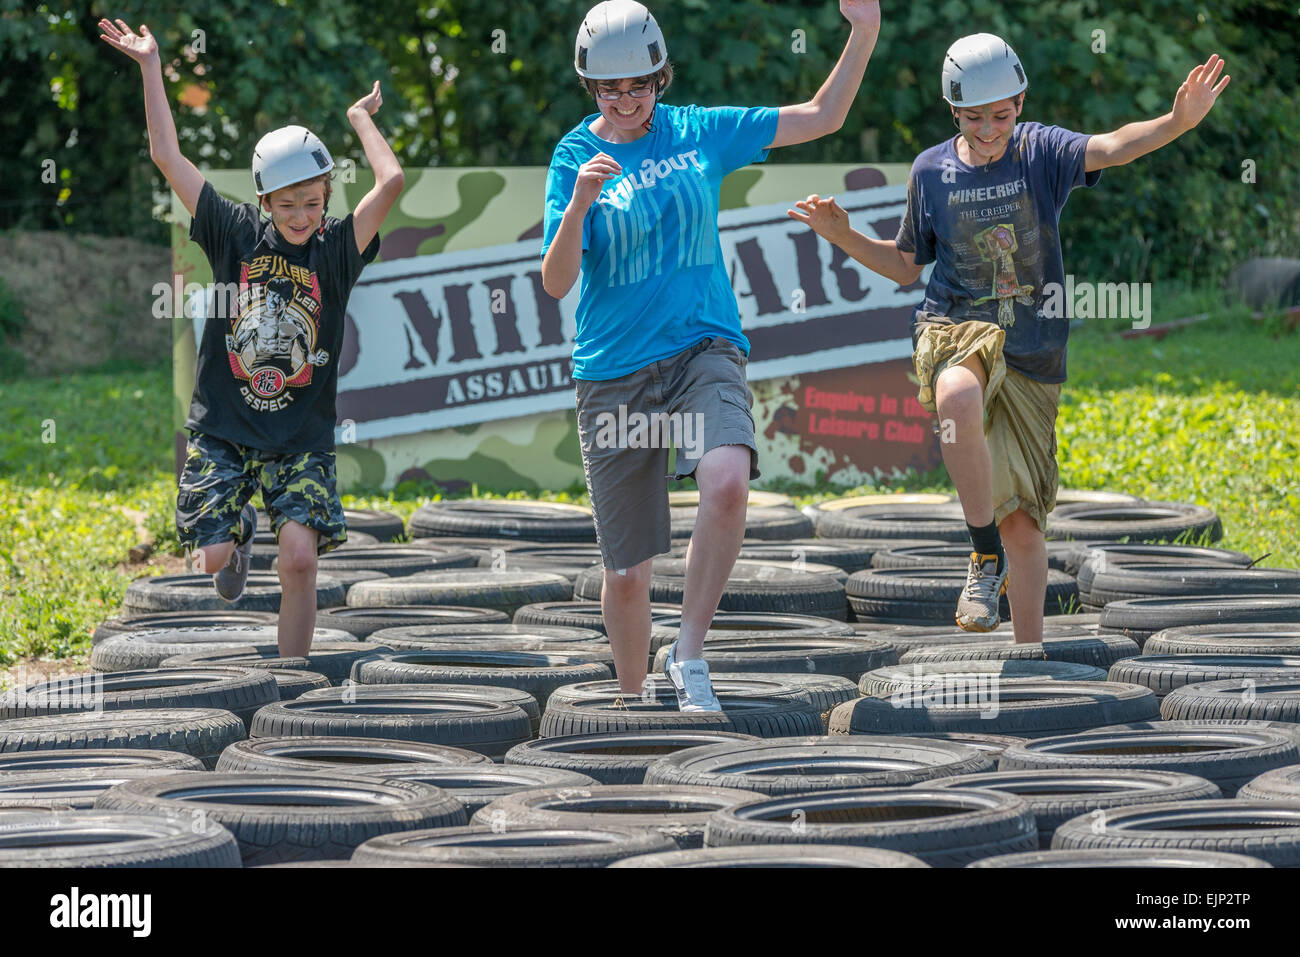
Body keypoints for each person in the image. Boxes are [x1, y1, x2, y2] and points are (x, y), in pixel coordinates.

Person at [788, 34, 1229, 642]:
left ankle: (1029, 661)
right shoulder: (932, 171)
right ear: (953, 111)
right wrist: (843, 234)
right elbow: (904, 266)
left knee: (1025, 527)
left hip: (1034, 349)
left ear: (1020, 102)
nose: (990, 128)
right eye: (974, 117)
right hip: (956, 326)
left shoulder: (1042, 151)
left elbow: (1114, 146)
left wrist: (1177, 122)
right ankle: (980, 552)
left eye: (1001, 114)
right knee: (957, 399)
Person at [541, 0, 883, 709]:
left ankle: (689, 651)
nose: (627, 100)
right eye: (610, 89)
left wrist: (864, 31)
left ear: (662, 75)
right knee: (629, 572)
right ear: (590, 89)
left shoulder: (699, 132)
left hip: (704, 347)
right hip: (613, 371)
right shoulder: (574, 156)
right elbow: (556, 280)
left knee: (727, 479)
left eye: (640, 85)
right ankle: (634, 705)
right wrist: (578, 205)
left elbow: (822, 116)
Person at [100, 18, 405, 656]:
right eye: (287, 204)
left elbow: (392, 183)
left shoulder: (337, 249)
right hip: (224, 426)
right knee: (212, 558)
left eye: (314, 202)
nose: (301, 217)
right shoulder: (231, 230)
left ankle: (291, 684)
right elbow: (166, 156)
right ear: (263, 200)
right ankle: (234, 532)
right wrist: (152, 68)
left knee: (298, 558)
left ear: (327, 195)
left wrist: (360, 118)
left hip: (300, 435)